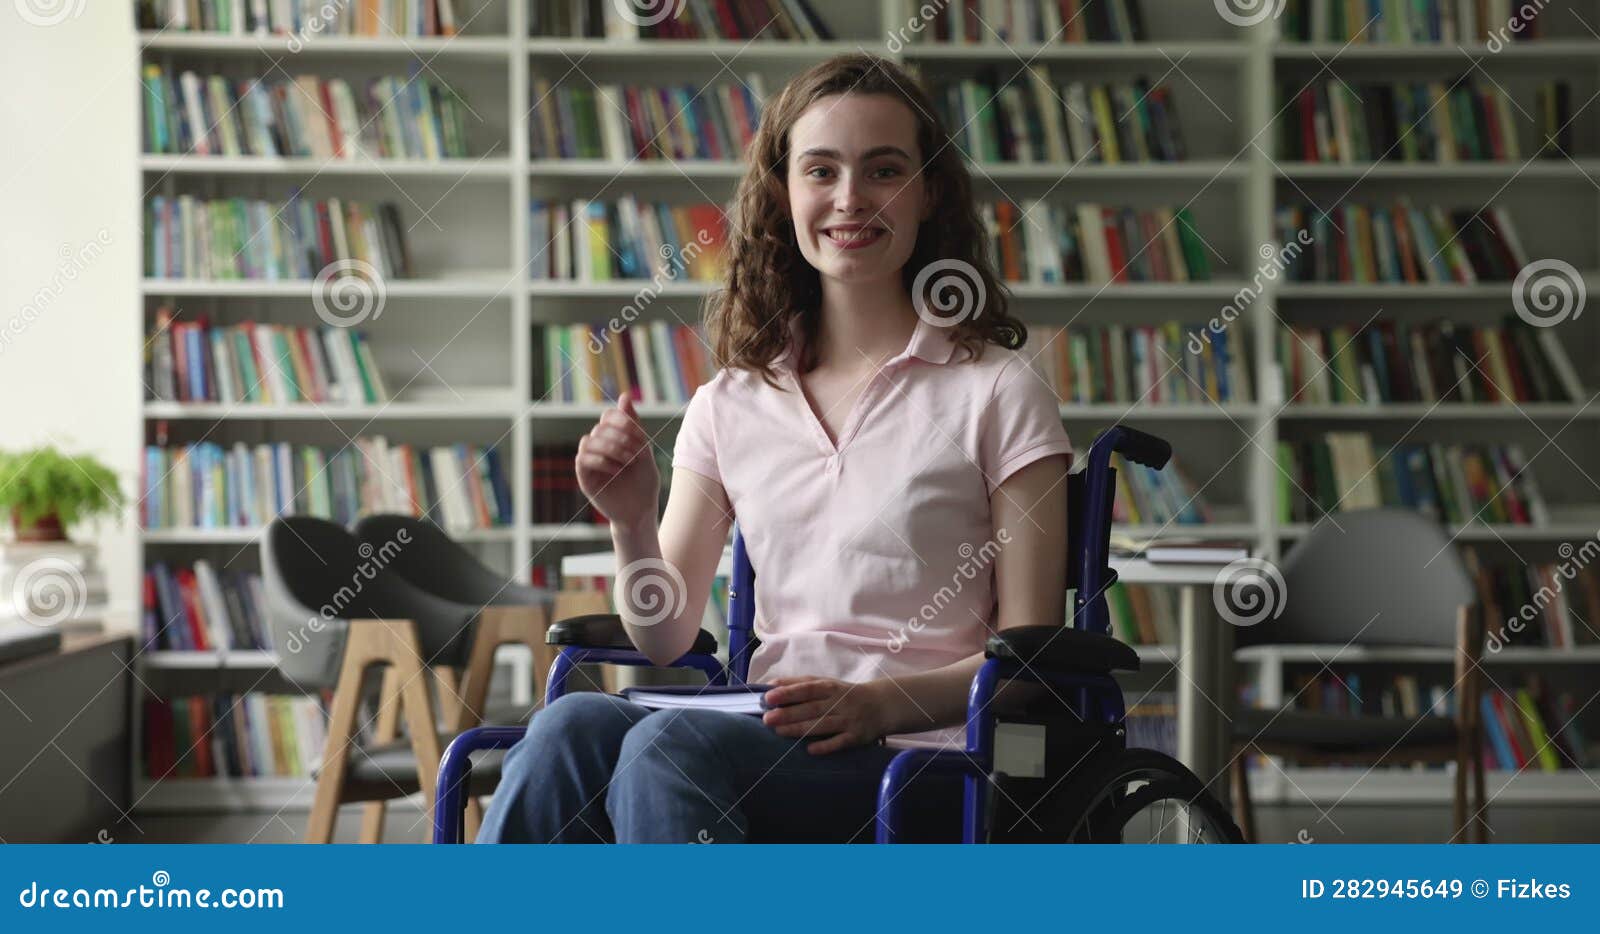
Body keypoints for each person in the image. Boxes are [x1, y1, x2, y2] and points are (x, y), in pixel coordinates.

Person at [477, 52, 1072, 843]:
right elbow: (667, 637)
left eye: (884, 169)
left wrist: (877, 703)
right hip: (760, 734)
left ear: (929, 191)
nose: (850, 199)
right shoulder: (730, 403)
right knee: (567, 728)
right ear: (785, 193)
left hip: (923, 761)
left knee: (668, 747)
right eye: (820, 170)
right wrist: (630, 519)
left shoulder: (998, 390)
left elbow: (1028, 668)